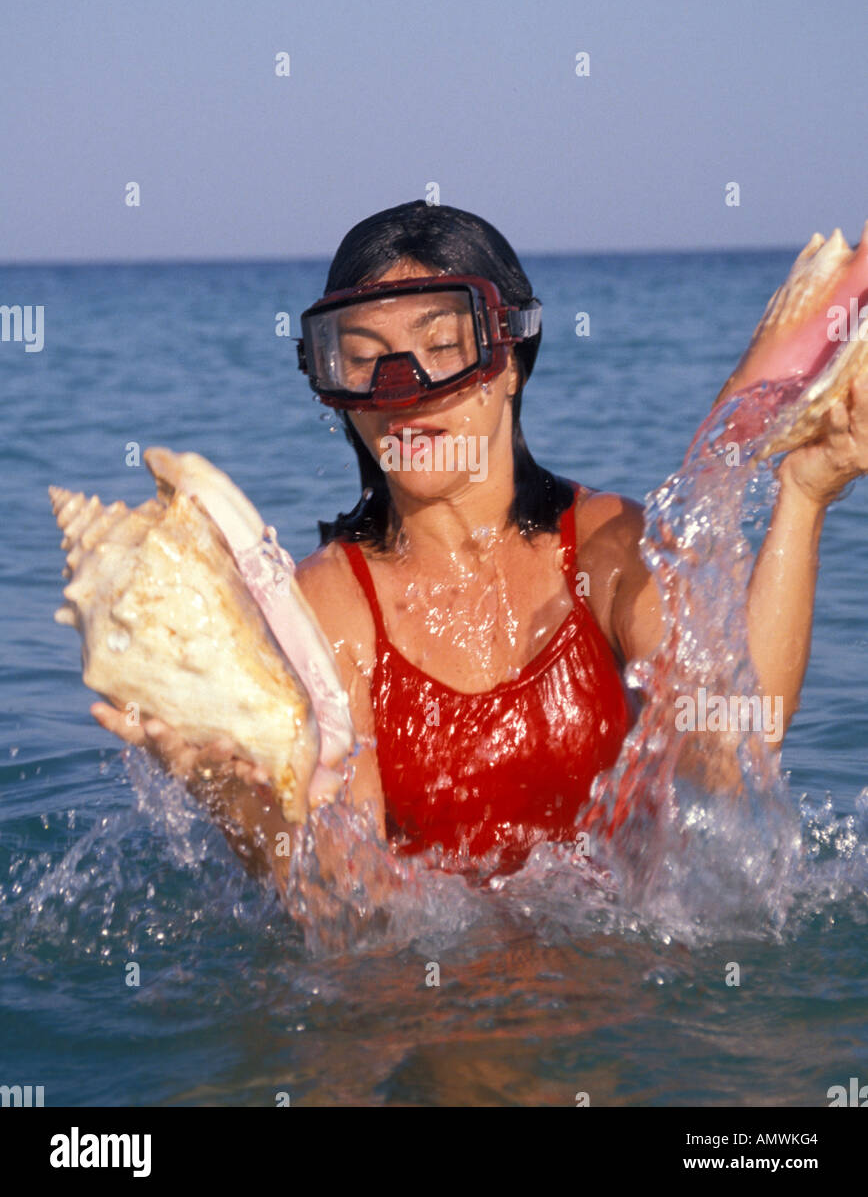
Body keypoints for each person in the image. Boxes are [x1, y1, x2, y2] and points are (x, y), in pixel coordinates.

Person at [92, 201, 868, 895]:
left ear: (510, 363)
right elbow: (348, 911)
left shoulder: (607, 548)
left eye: (442, 344)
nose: (405, 387)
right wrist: (239, 804)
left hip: (625, 993)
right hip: (439, 1008)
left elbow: (731, 750)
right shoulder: (329, 609)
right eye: (360, 358)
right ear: (331, 387)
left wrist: (802, 497)